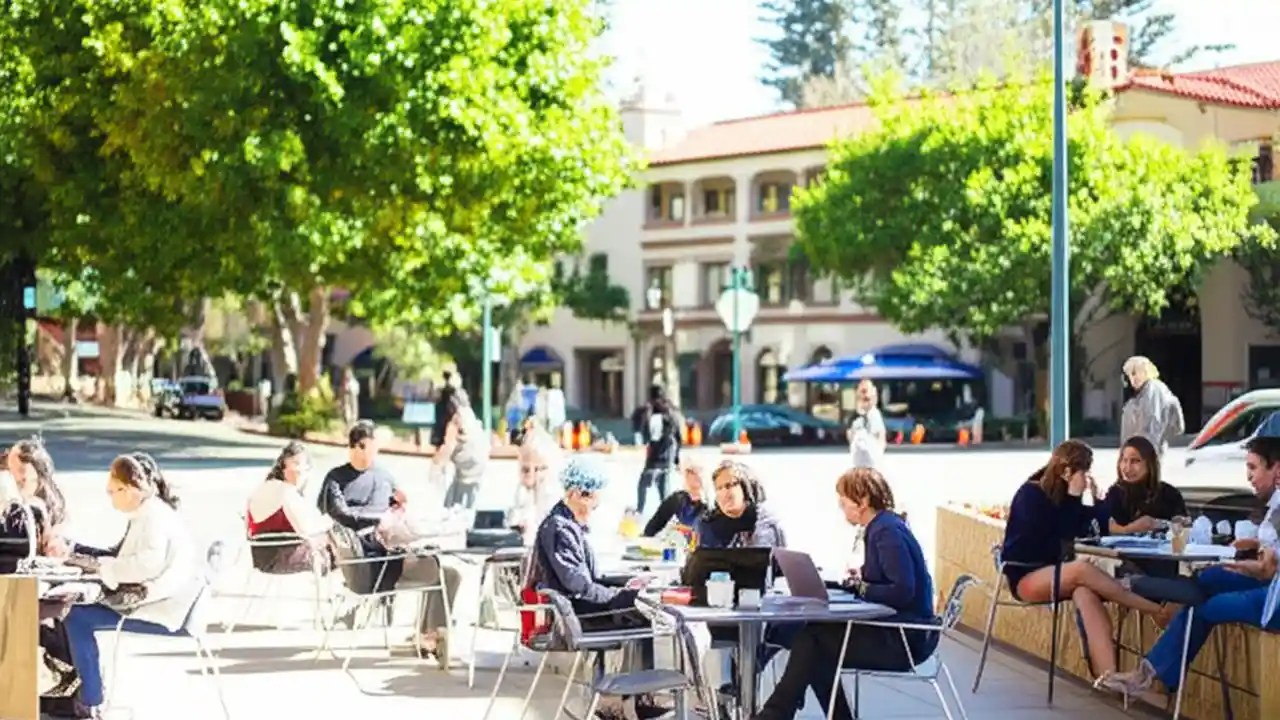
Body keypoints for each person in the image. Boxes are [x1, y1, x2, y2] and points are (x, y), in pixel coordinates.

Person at [1099, 435, 1280, 701]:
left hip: (1273, 599)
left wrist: (1244, 566)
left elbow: (1267, 570)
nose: (1248, 477)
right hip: (1270, 582)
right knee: (1208, 577)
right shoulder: (1274, 504)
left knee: (1205, 607)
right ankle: (1149, 667)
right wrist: (1252, 548)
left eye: (1253, 468)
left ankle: (1140, 595)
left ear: (1276, 468)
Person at [755, 468, 937, 720]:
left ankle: (774, 714)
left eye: (844, 501)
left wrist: (863, 588)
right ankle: (781, 713)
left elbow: (902, 591)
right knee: (814, 641)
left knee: (814, 641)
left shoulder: (886, 532)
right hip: (897, 631)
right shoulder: (883, 527)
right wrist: (852, 583)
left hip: (905, 639)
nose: (841, 508)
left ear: (862, 502)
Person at [1000, 439, 1170, 687]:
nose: (1086, 476)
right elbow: (1038, 545)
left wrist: (1095, 498)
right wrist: (1072, 499)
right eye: (1084, 471)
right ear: (1067, 471)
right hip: (1025, 575)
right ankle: (1156, 610)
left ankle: (1108, 677)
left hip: (1055, 574)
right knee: (1082, 570)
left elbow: (1094, 524)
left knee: (1085, 591)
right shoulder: (1031, 494)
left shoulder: (1067, 499)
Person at [61, 453, 202, 718]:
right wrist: (83, 556)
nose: (110, 497)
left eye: (112, 491)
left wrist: (101, 568)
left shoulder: (154, 518)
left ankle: (89, 700)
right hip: (159, 599)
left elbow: (146, 565)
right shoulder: (150, 512)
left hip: (162, 607)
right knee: (75, 608)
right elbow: (124, 558)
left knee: (75, 616)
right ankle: (86, 693)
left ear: (129, 488)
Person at [526, 456, 663, 720]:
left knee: (636, 603)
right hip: (577, 616)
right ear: (579, 494)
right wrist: (619, 595)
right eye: (595, 499)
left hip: (578, 607)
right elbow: (578, 585)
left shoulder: (566, 524)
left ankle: (624, 699)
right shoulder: (560, 529)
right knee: (645, 616)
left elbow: (587, 579)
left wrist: (626, 585)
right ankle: (632, 700)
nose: (597, 506)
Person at [318, 421, 461, 667]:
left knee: (445, 572)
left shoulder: (383, 475)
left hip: (385, 556)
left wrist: (400, 506)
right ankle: (428, 636)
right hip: (374, 564)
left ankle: (425, 636)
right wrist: (379, 519)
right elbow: (340, 515)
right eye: (371, 449)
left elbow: (399, 501)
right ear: (357, 447)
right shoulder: (336, 479)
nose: (374, 455)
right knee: (447, 574)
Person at [246, 442, 332, 573]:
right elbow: (303, 530)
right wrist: (326, 525)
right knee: (337, 551)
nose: (299, 472)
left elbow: (248, 529)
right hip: (280, 558)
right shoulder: (286, 491)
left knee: (331, 544)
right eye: (297, 465)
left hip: (259, 556)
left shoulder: (264, 487)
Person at [1103, 435, 1187, 535]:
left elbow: (1185, 526)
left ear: (1149, 464)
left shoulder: (1169, 494)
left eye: (1135, 461)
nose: (1127, 468)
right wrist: (1130, 529)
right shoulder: (1115, 493)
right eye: (1124, 460)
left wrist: (1158, 524)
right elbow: (1105, 526)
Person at [694, 460, 785, 549]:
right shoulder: (708, 526)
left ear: (745, 488)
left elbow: (781, 559)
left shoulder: (767, 523)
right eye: (719, 488)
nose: (724, 493)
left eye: (729, 486)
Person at [3, 437, 69, 553]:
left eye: (22, 482)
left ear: (39, 478)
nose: (15, 488)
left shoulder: (49, 504)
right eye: (10, 474)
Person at [506, 428, 563, 546]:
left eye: (538, 469)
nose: (530, 475)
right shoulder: (521, 492)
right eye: (525, 469)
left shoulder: (552, 494)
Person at [433, 394, 489, 510]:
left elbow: (448, 446)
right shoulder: (470, 416)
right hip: (480, 463)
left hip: (467, 469)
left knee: (453, 504)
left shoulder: (456, 420)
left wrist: (436, 465)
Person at [1120, 356, 1185, 455]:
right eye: (1129, 375)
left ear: (1145, 372)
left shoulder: (1153, 390)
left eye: (1134, 373)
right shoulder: (1141, 393)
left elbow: (1153, 422)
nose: (1132, 378)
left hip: (1149, 449)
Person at [634, 384, 681, 514]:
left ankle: (639, 511)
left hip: (656, 456)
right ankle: (667, 516)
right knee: (663, 487)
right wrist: (676, 459)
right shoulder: (671, 411)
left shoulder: (653, 412)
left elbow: (649, 435)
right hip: (669, 454)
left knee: (643, 484)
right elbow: (678, 436)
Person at [642, 457, 707, 539]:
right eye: (692, 472)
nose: (697, 475)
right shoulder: (677, 499)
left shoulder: (710, 502)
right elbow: (654, 524)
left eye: (699, 472)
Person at [847, 379, 886, 470]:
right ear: (857, 395)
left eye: (869, 391)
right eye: (863, 391)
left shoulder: (878, 417)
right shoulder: (853, 419)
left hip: (875, 466)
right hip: (858, 467)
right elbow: (850, 437)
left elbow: (882, 438)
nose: (866, 395)